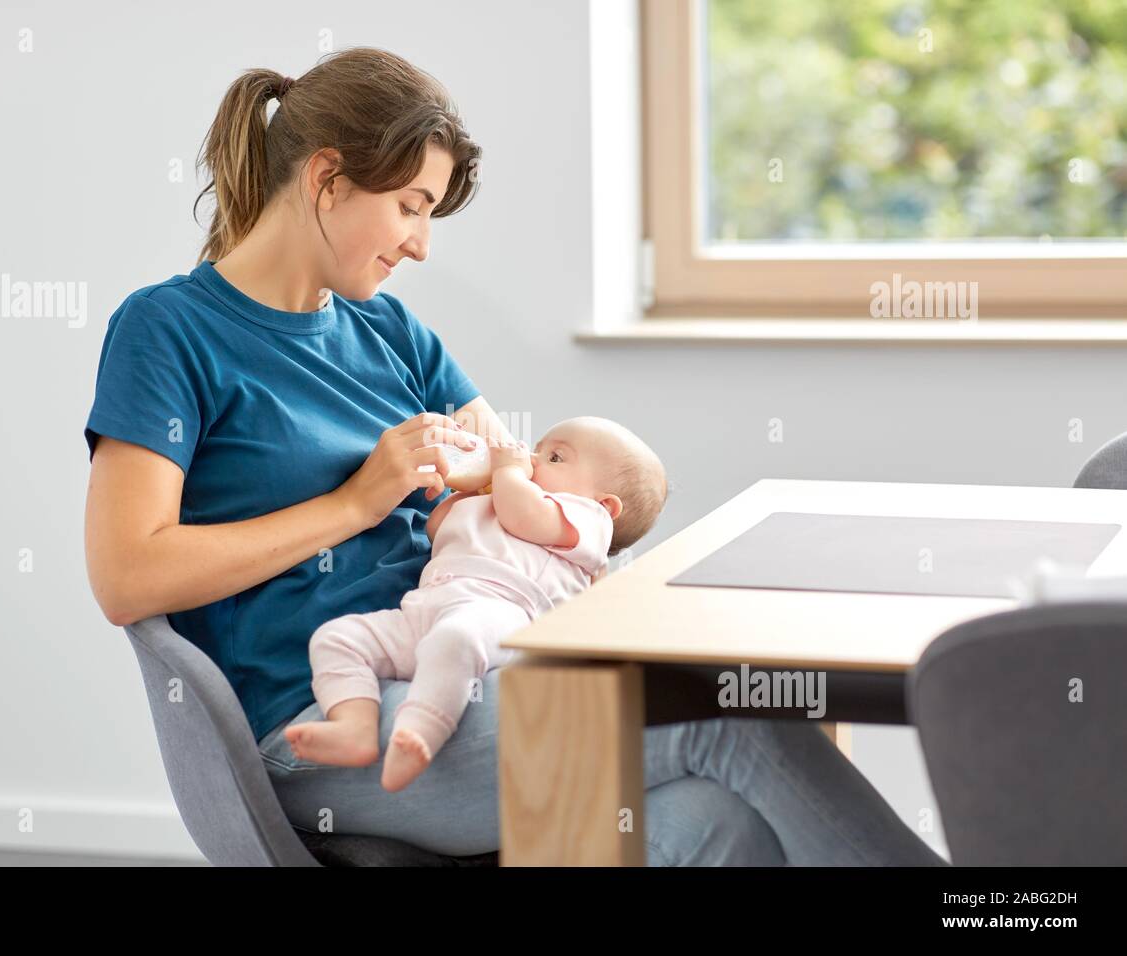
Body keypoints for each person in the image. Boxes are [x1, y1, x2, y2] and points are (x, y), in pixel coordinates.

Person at [82, 46, 944, 865]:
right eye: (412, 206)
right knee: (731, 718)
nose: (420, 244)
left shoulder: (390, 331)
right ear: (327, 178)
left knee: (717, 827)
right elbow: (127, 575)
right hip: (321, 720)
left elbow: (514, 471)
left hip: (475, 670)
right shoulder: (167, 332)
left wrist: (532, 500)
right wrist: (354, 504)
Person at [290, 418, 666, 792]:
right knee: (338, 637)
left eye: (554, 457)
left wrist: (507, 474)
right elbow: (438, 527)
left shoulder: (587, 521)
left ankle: (421, 729)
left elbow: (525, 515)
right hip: (426, 609)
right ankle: (353, 724)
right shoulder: (505, 496)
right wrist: (467, 492)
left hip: (500, 614)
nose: (532, 457)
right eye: (538, 447)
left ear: (606, 504)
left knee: (456, 639)